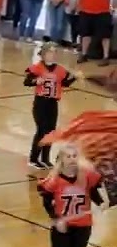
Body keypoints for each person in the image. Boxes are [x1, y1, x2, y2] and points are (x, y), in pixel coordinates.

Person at [37, 143, 105, 247]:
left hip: (83, 226)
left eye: (75, 156)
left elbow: (93, 193)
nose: (72, 159)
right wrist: (56, 218)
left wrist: (101, 203)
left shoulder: (86, 176)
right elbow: (47, 201)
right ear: (61, 160)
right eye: (68, 156)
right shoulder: (54, 180)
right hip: (63, 228)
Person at [25, 42, 75, 170]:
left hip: (53, 103)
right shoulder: (37, 67)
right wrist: (36, 81)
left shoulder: (60, 69)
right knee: (41, 130)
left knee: (51, 131)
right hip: (41, 102)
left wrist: (75, 78)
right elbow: (27, 81)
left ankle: (45, 159)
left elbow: (65, 83)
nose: (52, 55)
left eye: (54, 52)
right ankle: (33, 159)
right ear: (44, 54)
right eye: (50, 52)